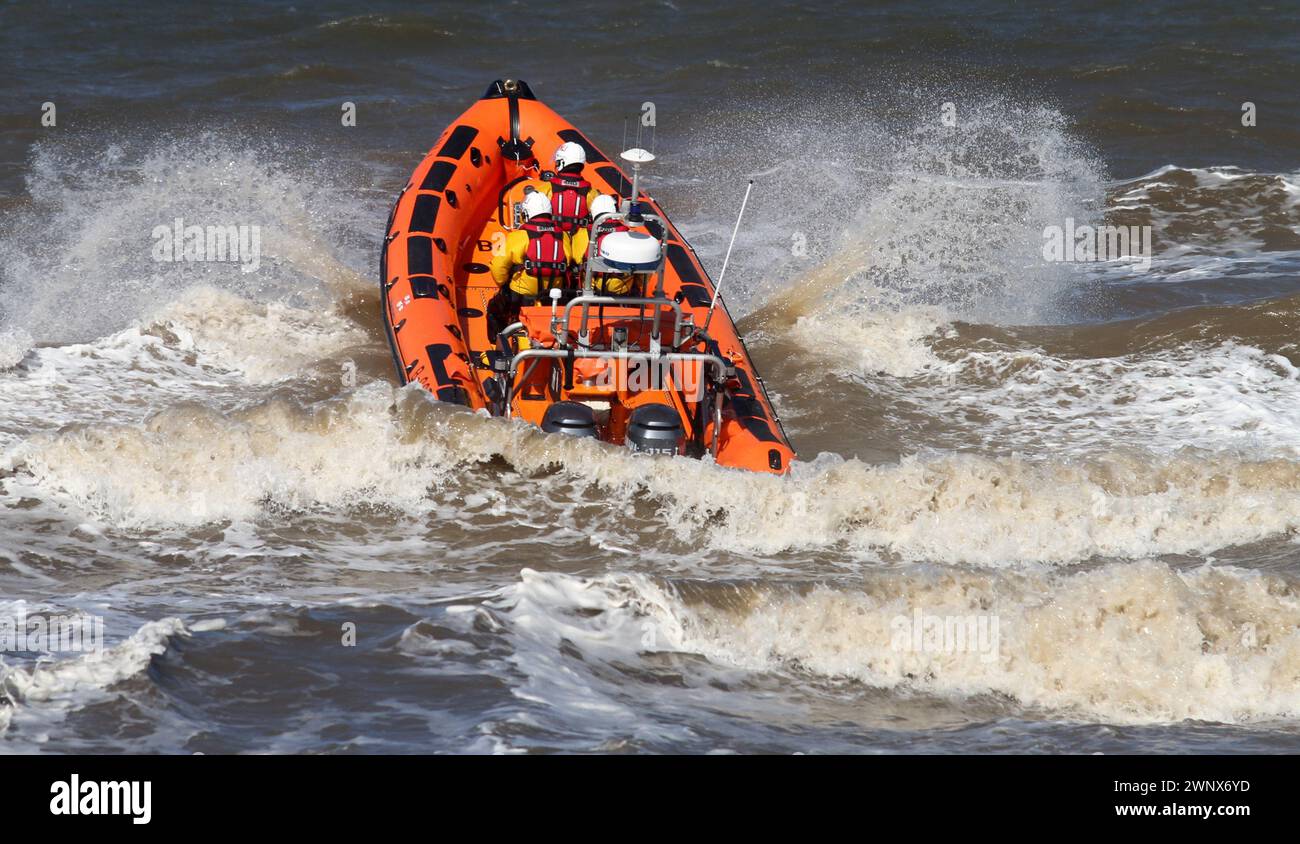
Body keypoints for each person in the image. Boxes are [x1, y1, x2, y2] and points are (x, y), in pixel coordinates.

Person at [486, 191, 572, 338]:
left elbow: (497, 267)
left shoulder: (518, 236)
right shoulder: (563, 236)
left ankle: (498, 345)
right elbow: (569, 260)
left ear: (526, 213)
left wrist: (503, 284)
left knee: (494, 309)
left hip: (520, 296)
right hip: (554, 297)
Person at [570, 194, 636, 295]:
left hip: (590, 290)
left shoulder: (582, 233)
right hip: (621, 290)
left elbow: (577, 258)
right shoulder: (630, 234)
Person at [539, 142, 602, 233]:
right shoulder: (592, 193)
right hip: (580, 242)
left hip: (554, 239)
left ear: (562, 162)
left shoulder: (545, 189)